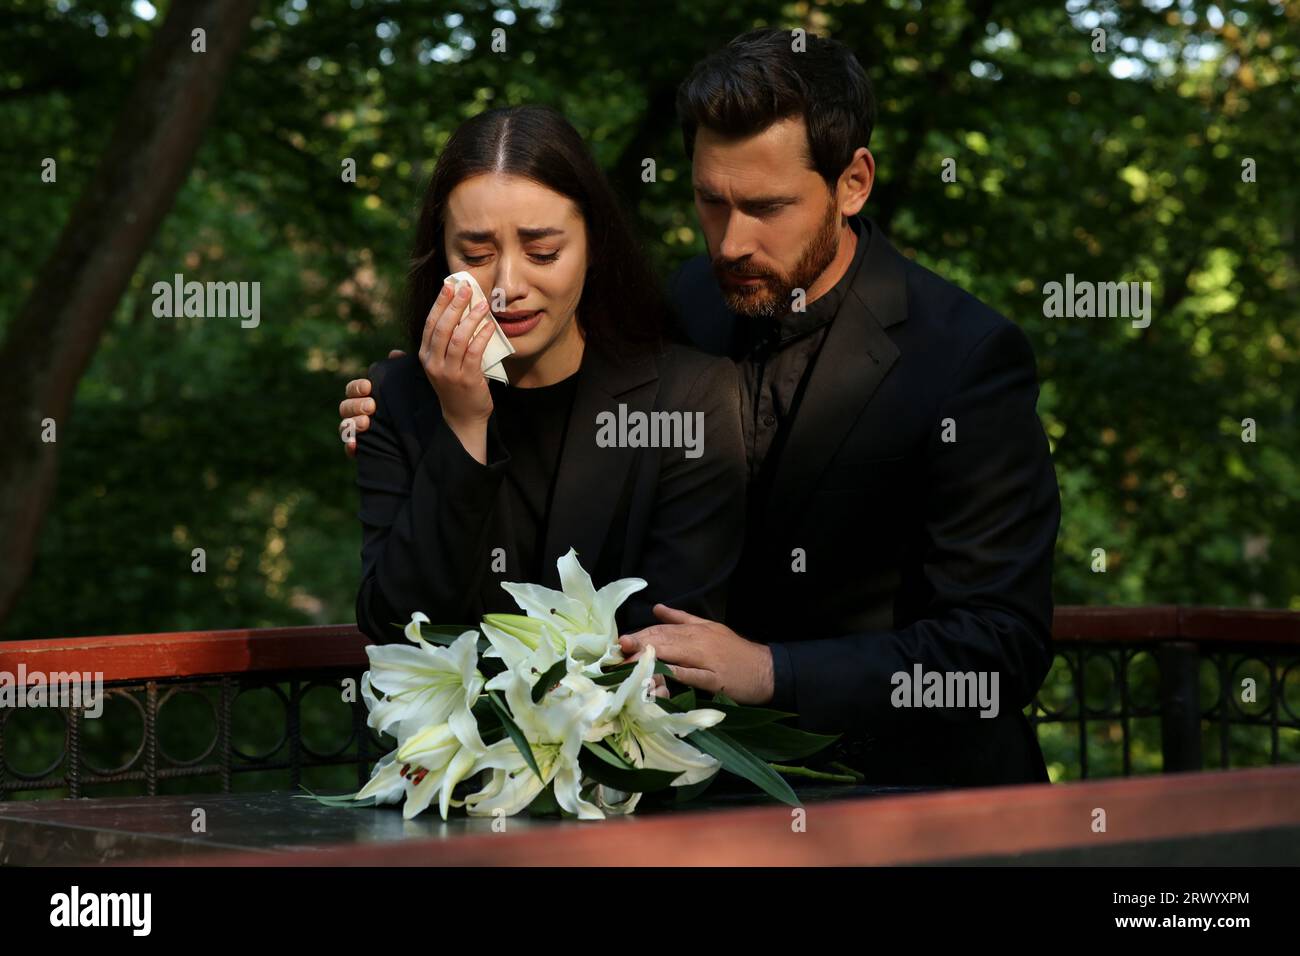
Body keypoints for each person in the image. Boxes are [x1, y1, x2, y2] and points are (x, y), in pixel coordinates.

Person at [342, 32, 1061, 787]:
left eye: (766, 206)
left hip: (917, 798)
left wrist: (772, 670)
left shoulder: (967, 358)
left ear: (853, 182)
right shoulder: (687, 300)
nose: (731, 240)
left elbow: (998, 649)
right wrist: (413, 412)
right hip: (702, 792)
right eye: (710, 201)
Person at [351, 105, 745, 656]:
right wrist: (464, 426)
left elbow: (671, 635)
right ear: (441, 250)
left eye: (543, 252)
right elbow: (398, 626)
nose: (507, 285)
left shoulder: (688, 396)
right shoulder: (394, 398)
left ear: (595, 244)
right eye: (476, 253)